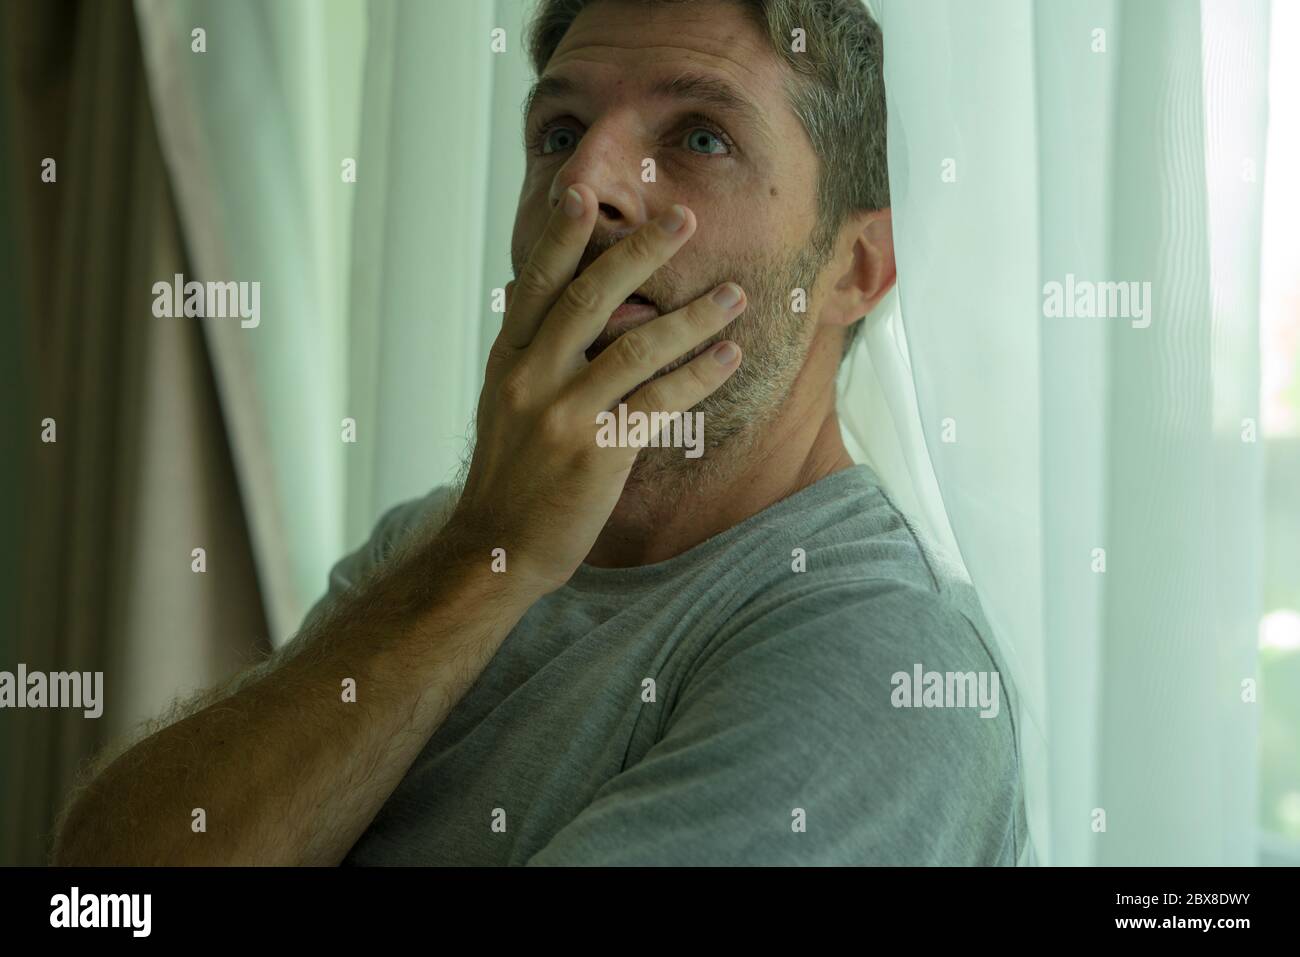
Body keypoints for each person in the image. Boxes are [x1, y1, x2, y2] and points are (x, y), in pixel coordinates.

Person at [53, 0, 1027, 866]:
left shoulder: (883, 663)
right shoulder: (436, 549)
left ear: (859, 267)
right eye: (560, 132)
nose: (585, 184)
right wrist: (485, 555)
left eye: (700, 137)